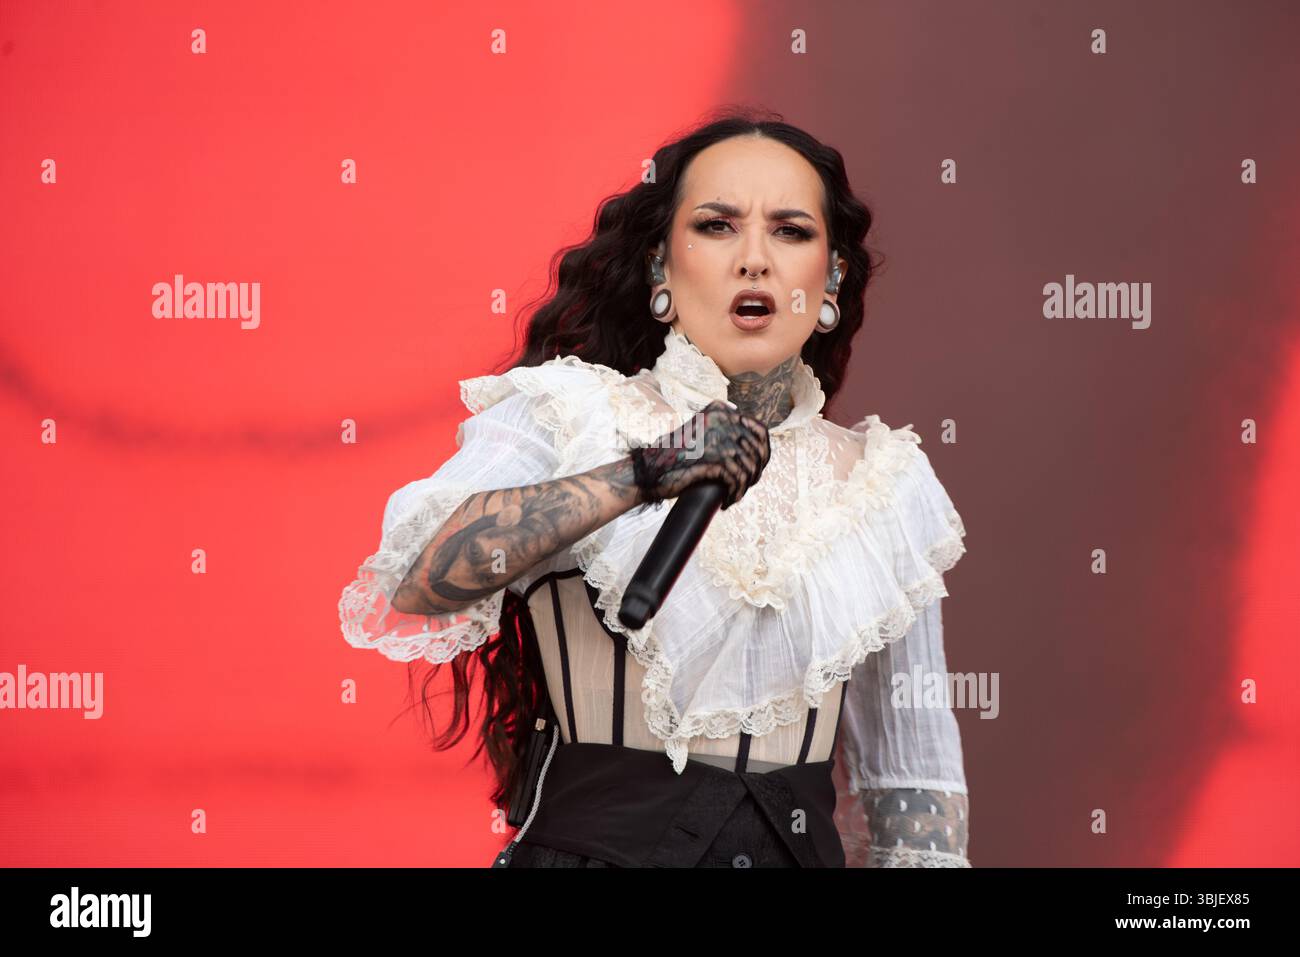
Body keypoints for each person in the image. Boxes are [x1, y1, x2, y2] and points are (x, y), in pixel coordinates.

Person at [338, 110, 971, 868]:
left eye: (792, 231)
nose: (755, 260)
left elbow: (914, 789)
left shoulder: (886, 486)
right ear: (661, 272)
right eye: (717, 225)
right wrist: (644, 473)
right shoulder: (570, 415)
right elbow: (423, 574)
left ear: (829, 281)